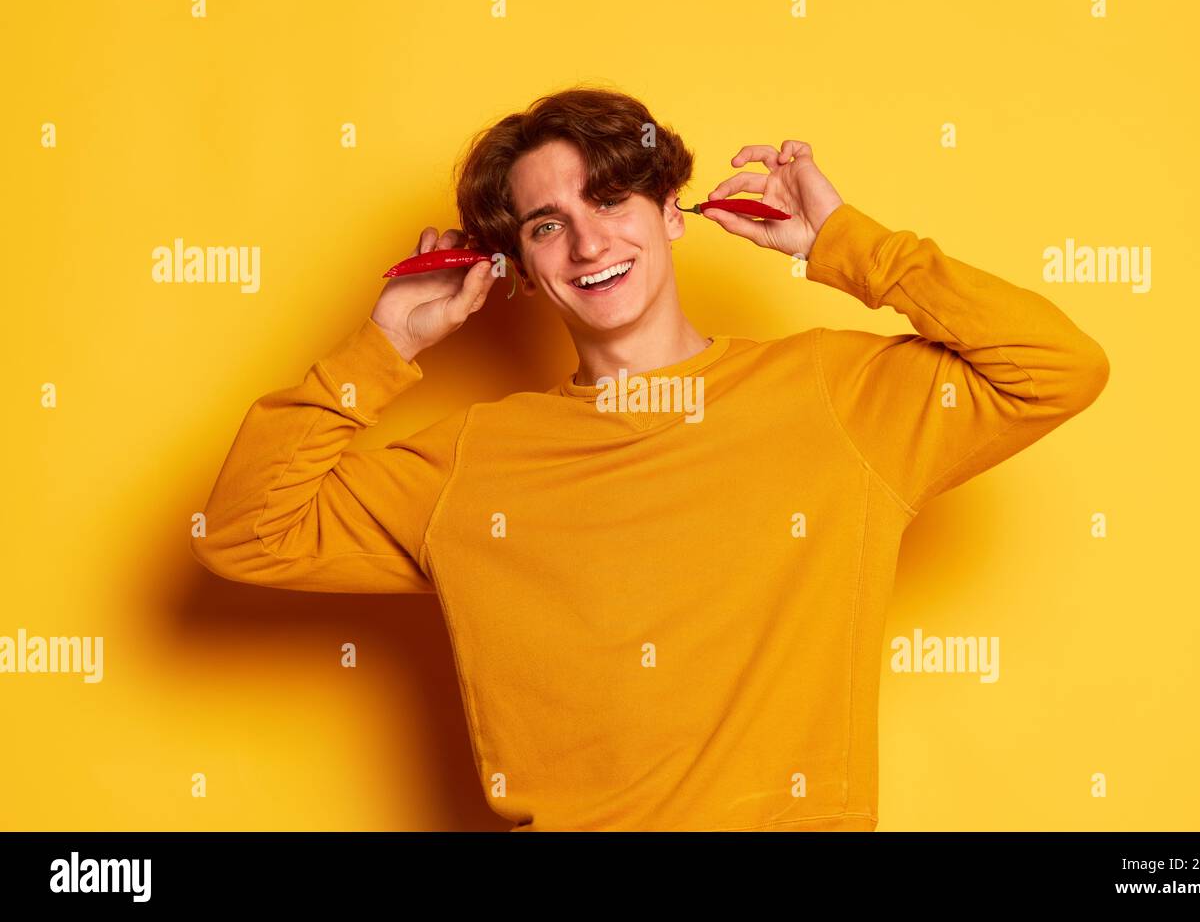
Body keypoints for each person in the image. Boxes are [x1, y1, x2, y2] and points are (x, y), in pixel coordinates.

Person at [191, 86, 1109, 831]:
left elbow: (1058, 367)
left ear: (672, 213)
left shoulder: (835, 400)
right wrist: (383, 345)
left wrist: (845, 244)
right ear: (516, 261)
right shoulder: (475, 462)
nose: (588, 241)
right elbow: (242, 532)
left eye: (609, 198)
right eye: (546, 224)